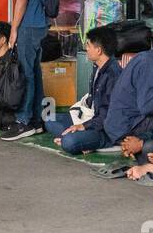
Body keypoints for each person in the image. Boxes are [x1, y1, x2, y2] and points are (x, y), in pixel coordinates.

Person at [0, 0, 54, 141]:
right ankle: (36, 120)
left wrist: (13, 28)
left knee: (25, 72)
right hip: (39, 23)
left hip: (29, 24)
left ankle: (24, 121)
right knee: (34, 72)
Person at [43, 24, 119, 154]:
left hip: (104, 129)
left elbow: (108, 116)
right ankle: (79, 139)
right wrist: (81, 123)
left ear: (99, 50)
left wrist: (83, 126)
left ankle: (83, 141)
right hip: (90, 117)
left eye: (88, 45)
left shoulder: (113, 75)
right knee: (49, 120)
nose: (86, 49)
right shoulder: (97, 67)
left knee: (69, 142)